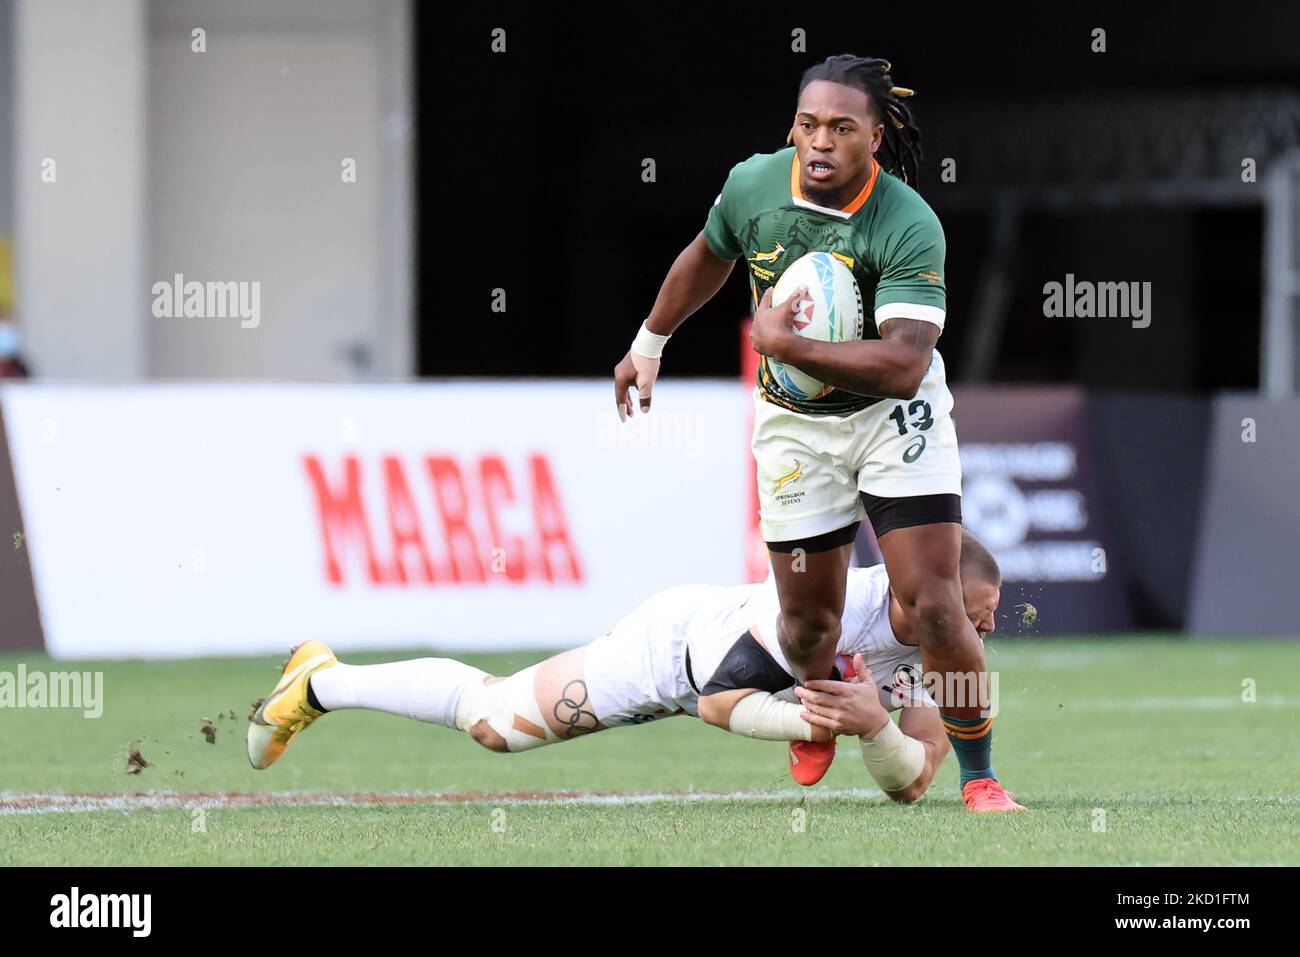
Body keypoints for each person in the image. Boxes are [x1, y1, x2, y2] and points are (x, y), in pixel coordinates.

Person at [611, 54, 1015, 808]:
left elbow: (900, 365)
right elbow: (708, 256)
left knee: (934, 601)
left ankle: (982, 776)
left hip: (895, 420)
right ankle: (819, 706)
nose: (820, 141)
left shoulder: (907, 223)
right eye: (807, 124)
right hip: (798, 425)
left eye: (841, 127)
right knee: (805, 626)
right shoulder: (754, 185)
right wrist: (648, 342)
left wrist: (787, 344)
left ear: (877, 135)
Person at [247, 530, 1023, 811]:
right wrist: (814, 719)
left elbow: (916, 779)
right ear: (925, 594)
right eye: (978, 612)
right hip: (673, 652)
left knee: (492, 722)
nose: (984, 632)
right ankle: (318, 680)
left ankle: (320, 680)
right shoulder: (833, 606)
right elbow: (722, 700)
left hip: (725, 675)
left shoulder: (935, 662)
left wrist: (875, 726)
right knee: (493, 722)